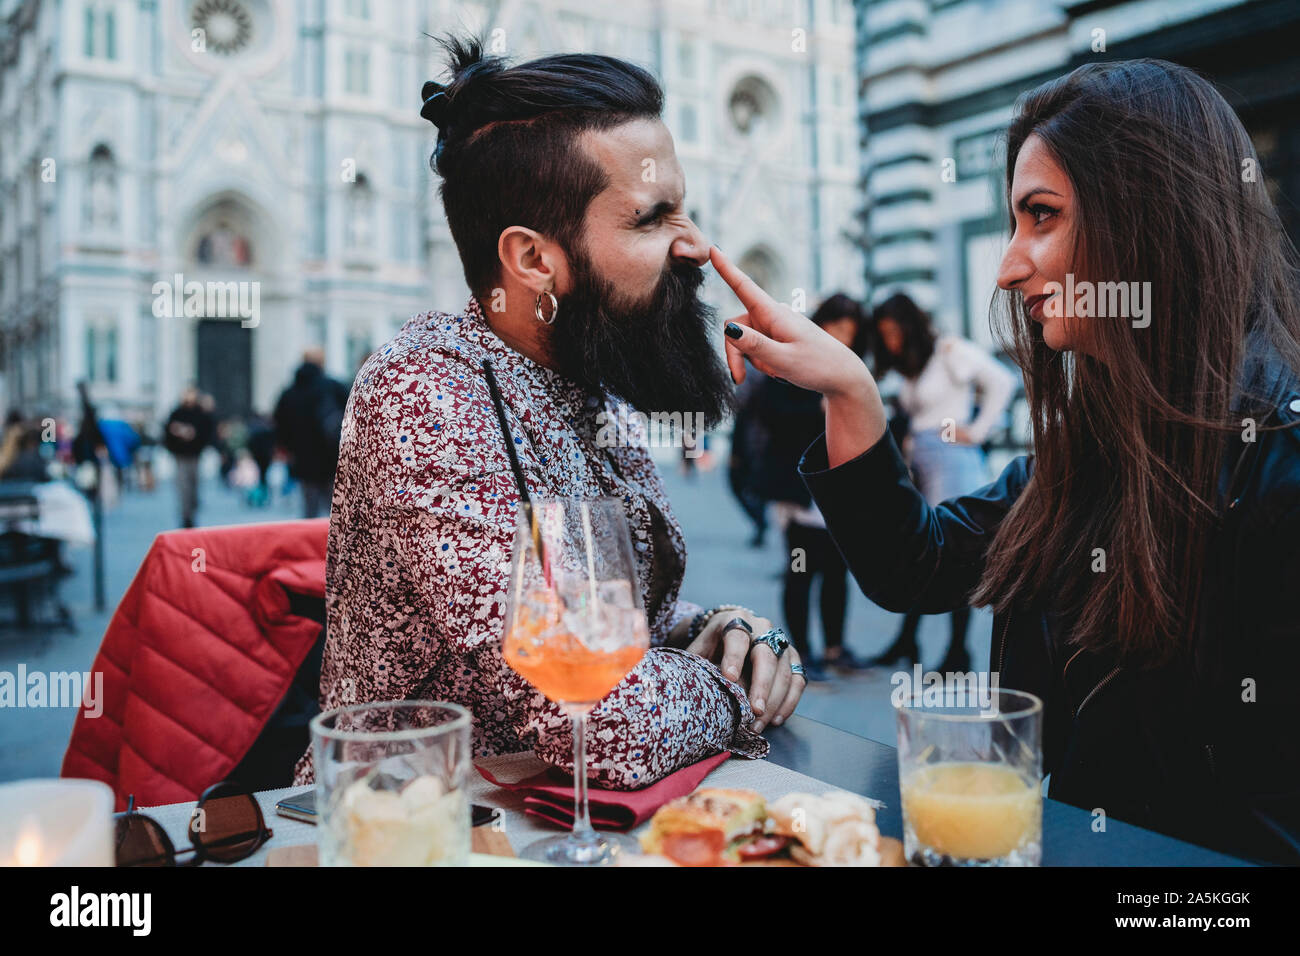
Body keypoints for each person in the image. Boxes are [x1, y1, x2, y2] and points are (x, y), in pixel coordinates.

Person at [714, 59, 1300, 864]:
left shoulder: (1278, 475)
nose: (1007, 264)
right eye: (1013, 220)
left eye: (1043, 216)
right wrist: (850, 391)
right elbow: (915, 565)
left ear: (1152, 219)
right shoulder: (1092, 456)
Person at [293, 34, 805, 790]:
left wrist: (718, 629)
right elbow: (598, 720)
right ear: (534, 259)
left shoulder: (574, 378)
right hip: (415, 826)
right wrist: (735, 694)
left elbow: (578, 612)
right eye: (651, 218)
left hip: (552, 820)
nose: (695, 246)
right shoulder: (426, 396)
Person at [867, 292, 1016, 672]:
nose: (890, 341)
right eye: (884, 333)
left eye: (894, 331)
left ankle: (955, 651)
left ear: (910, 325)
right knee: (923, 551)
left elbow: (1002, 382)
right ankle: (911, 641)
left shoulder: (950, 350)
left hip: (953, 461)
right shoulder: (914, 366)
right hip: (925, 466)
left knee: (953, 553)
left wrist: (978, 430)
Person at [754, 293, 868, 680]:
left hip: (838, 487)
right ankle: (802, 652)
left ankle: (835, 647)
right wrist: (816, 409)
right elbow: (768, 412)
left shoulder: (849, 364)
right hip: (797, 486)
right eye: (837, 329)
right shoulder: (792, 356)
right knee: (801, 569)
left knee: (837, 569)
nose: (843, 339)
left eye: (850, 333)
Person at [272, 348, 350, 519]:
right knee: (336, 510)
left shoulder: (289, 392)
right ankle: (334, 544)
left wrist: (289, 448)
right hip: (332, 458)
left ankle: (311, 543)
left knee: (309, 508)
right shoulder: (333, 387)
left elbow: (279, 425)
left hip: (303, 459)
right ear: (322, 363)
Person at [162, 385, 214, 528]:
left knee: (194, 484)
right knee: (183, 485)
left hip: (195, 454)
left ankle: (192, 510)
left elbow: (207, 431)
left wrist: (193, 434)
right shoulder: (177, 413)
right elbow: (167, 431)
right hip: (180, 455)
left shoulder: (200, 413)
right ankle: (186, 515)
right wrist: (177, 432)